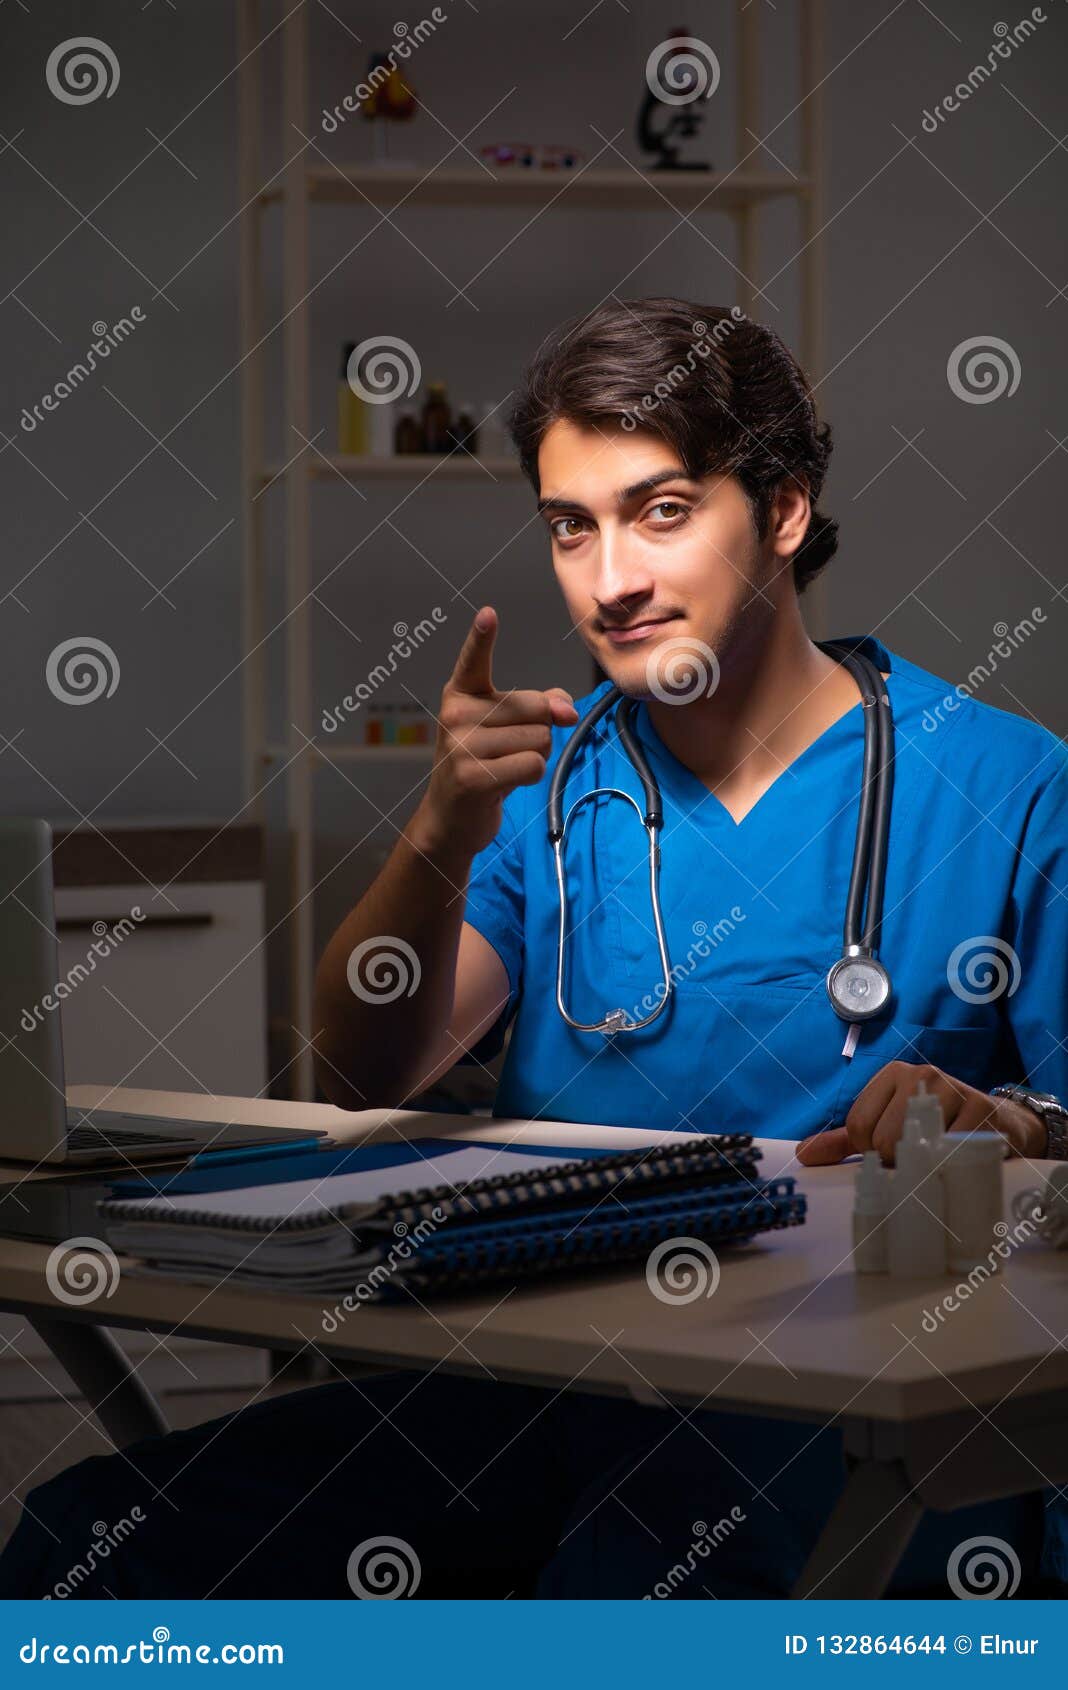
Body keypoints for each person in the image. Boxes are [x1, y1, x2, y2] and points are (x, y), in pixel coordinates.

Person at [3, 298, 1065, 1599]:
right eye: (572, 526)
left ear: (784, 511)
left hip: (817, 1409)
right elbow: (361, 1073)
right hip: (525, 1385)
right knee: (90, 1542)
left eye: (661, 511)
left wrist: (1001, 1121)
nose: (609, 577)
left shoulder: (1007, 786)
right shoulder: (549, 796)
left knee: (624, 1594)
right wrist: (440, 826)